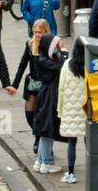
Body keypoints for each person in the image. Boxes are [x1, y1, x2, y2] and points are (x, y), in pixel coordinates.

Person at [13, 20, 65, 174]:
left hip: (43, 86)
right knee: (34, 117)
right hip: (36, 86)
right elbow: (23, 64)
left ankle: (42, 158)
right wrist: (14, 85)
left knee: (43, 123)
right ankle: (45, 159)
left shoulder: (49, 47)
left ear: (46, 31)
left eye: (39, 32)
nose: (37, 35)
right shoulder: (31, 46)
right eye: (35, 32)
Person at [54, 37, 86, 184]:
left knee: (71, 142)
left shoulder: (67, 65)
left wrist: (60, 110)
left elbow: (61, 89)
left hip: (70, 110)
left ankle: (71, 173)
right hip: (87, 110)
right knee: (89, 142)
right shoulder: (90, 67)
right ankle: (91, 170)